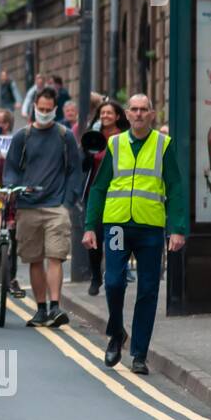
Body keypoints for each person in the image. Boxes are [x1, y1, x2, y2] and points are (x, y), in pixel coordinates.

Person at [84, 94, 187, 373]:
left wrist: (177, 229)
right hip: (116, 225)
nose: (139, 114)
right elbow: (98, 188)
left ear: (152, 114)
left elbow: (176, 188)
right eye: (134, 109)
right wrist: (90, 227)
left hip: (150, 227)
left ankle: (139, 353)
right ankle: (116, 333)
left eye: (144, 109)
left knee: (148, 290)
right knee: (114, 282)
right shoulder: (115, 144)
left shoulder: (163, 145)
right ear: (126, 115)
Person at [2, 86, 81, 328]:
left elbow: (74, 170)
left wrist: (67, 202)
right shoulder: (22, 137)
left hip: (56, 206)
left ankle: (56, 307)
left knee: (55, 256)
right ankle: (41, 309)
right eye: (41, 109)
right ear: (34, 107)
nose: (45, 113)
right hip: (27, 206)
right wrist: (12, 187)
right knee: (34, 259)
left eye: (49, 110)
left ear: (55, 109)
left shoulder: (64, 135)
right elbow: (11, 168)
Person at [81, 99, 127, 295]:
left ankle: (115, 275)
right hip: (96, 194)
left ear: (117, 116)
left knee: (117, 238)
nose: (105, 116)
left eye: (109, 113)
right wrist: (87, 152)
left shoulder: (124, 137)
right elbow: (83, 166)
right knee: (95, 237)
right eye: (102, 113)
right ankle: (96, 276)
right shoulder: (93, 137)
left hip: (118, 194)